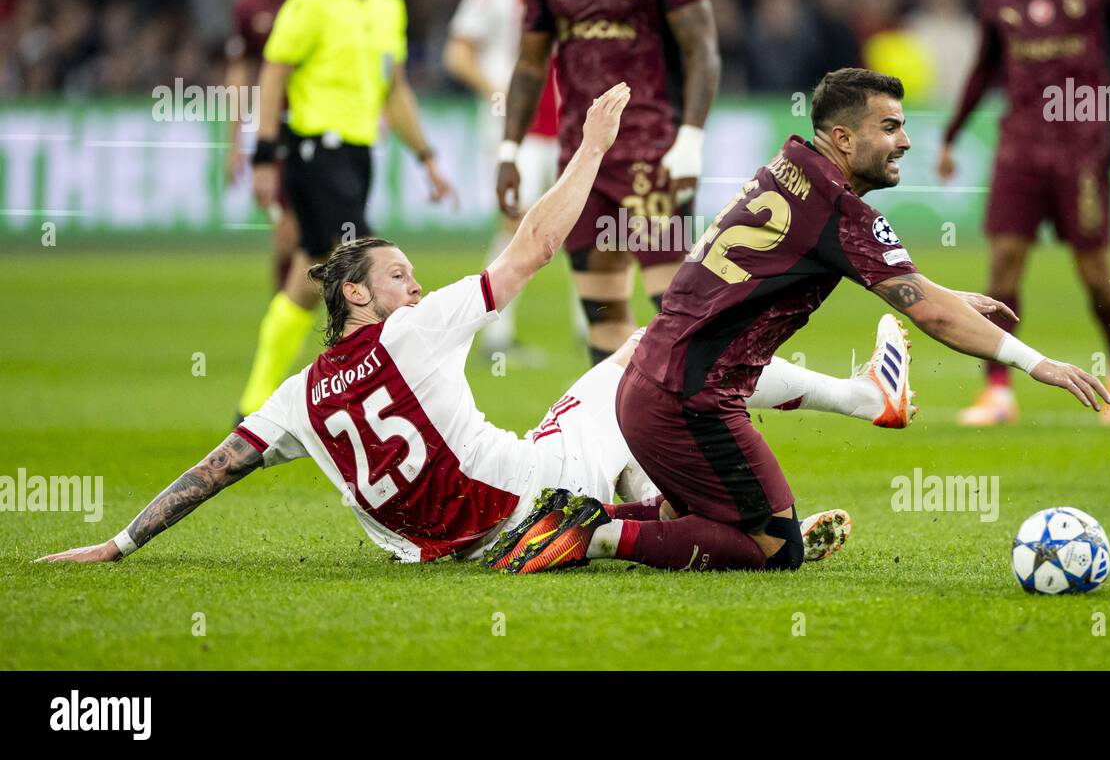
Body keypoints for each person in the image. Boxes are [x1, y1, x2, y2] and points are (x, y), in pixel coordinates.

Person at [37, 84, 893, 568]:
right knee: (658, 355)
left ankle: (642, 514)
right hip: (533, 494)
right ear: (361, 302)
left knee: (626, 423)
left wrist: (119, 542)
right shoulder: (411, 333)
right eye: (400, 276)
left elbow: (214, 469)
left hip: (452, 547)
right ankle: (861, 403)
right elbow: (535, 245)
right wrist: (591, 148)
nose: (417, 287)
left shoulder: (297, 399)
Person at [488, 68, 1110, 575]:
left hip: (650, 383)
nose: (906, 141)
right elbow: (933, 316)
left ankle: (579, 516)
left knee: (717, 520)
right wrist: (1038, 363)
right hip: (690, 402)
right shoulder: (840, 211)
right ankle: (600, 537)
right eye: (890, 127)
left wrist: (936, 294)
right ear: (842, 138)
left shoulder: (790, 167)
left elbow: (905, 287)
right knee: (775, 548)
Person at [496, 0, 720, 365]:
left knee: (679, 316)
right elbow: (529, 66)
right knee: (603, 320)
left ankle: (694, 438)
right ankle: (615, 448)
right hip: (582, 162)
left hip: (652, 154)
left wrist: (689, 139)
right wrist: (510, 150)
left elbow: (702, 51)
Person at [235, 0, 455, 420]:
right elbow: (272, 73)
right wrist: (264, 154)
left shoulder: (388, 7)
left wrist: (425, 155)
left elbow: (394, 90)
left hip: (358, 156)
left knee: (308, 273)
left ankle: (254, 403)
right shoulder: (311, 1)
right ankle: (371, 399)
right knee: (373, 267)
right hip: (315, 154)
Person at [939, 0, 1110, 427]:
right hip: (1019, 149)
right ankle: (998, 391)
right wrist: (952, 136)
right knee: (1002, 267)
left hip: (1083, 152)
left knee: (1095, 273)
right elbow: (983, 69)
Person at [444, 0, 570, 360]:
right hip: (513, 127)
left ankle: (592, 329)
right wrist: (498, 90)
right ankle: (496, 335)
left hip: (565, 126)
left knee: (573, 221)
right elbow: (456, 54)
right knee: (515, 222)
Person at [223, 0, 314, 291]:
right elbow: (240, 73)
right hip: (274, 130)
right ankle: (287, 312)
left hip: (325, 124)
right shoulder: (249, 5)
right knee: (289, 231)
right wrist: (235, 143)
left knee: (332, 238)